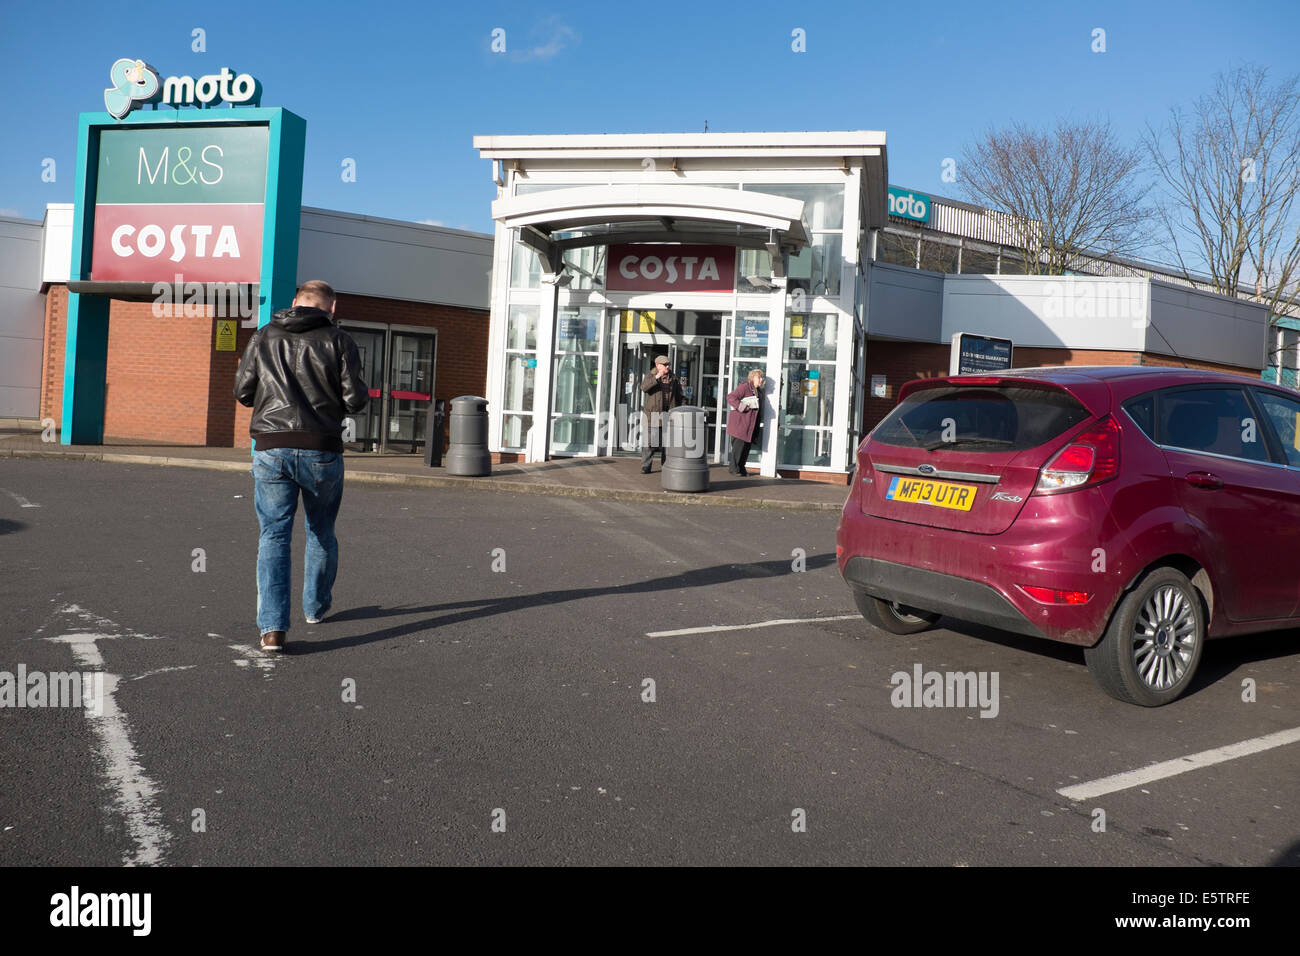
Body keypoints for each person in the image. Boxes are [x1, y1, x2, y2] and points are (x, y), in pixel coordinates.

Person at [234, 280, 368, 652]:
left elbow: (243, 391)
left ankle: (273, 629)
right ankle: (315, 607)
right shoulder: (339, 340)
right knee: (321, 530)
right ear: (332, 307)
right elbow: (355, 400)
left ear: (294, 303)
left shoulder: (263, 336)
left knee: (274, 534)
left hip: (271, 447)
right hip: (321, 448)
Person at [639, 354, 684, 473]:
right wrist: (657, 377)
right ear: (658, 365)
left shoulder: (673, 378)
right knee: (650, 443)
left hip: (668, 415)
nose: (667, 366)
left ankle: (666, 466)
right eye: (665, 365)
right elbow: (643, 388)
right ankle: (646, 467)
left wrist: (683, 408)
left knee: (667, 443)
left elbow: (679, 395)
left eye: (668, 364)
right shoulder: (651, 375)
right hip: (653, 415)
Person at [725, 369, 766, 476]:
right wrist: (742, 407)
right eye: (759, 377)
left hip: (750, 427)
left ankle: (741, 468)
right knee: (738, 449)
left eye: (762, 377)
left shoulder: (759, 391)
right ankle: (734, 469)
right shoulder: (745, 387)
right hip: (740, 425)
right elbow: (730, 397)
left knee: (746, 448)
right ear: (752, 378)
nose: (761, 379)